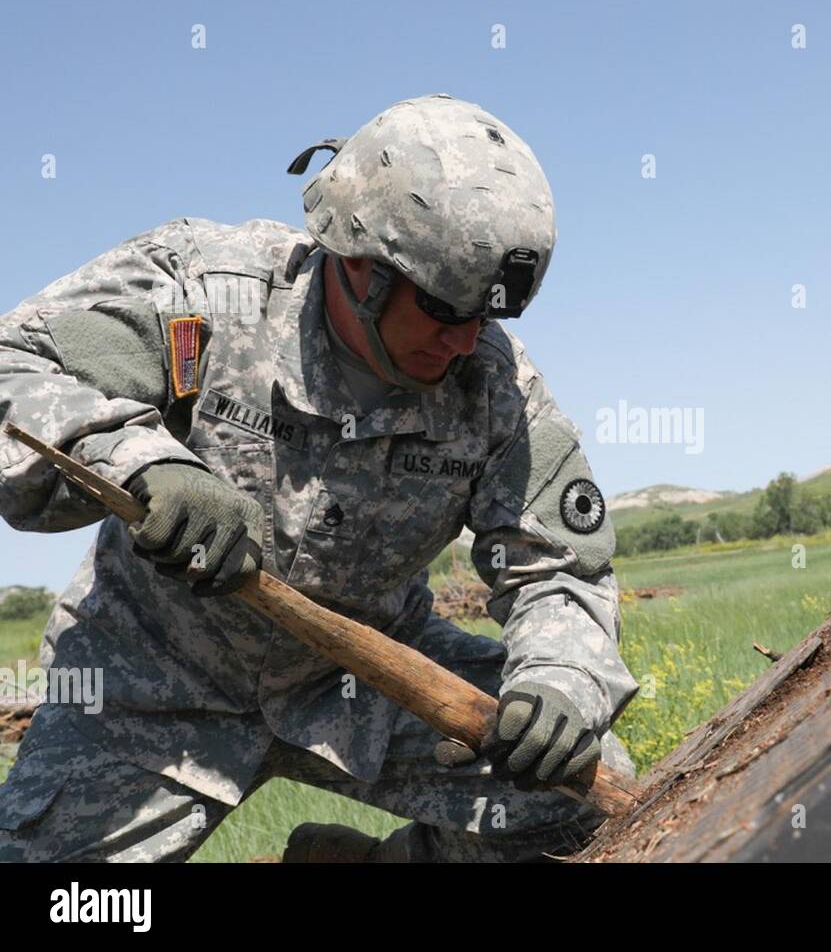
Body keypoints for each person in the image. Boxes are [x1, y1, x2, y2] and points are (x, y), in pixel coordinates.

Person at [0, 94, 639, 862]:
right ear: (362, 266)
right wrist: (143, 461)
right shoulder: (204, 296)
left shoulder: (494, 387)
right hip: (145, 686)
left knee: (574, 809)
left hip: (362, 680)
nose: (465, 340)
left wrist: (561, 681)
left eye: (487, 316)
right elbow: (14, 370)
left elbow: (559, 566)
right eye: (442, 308)